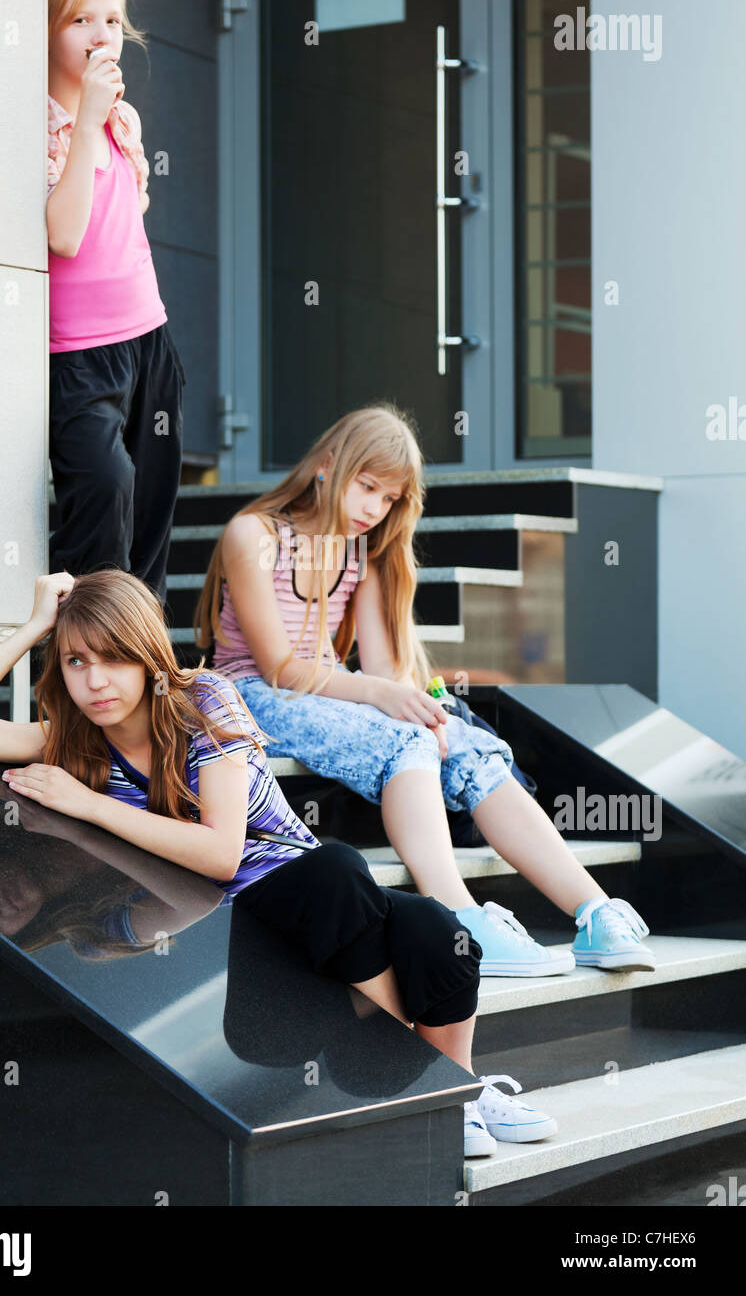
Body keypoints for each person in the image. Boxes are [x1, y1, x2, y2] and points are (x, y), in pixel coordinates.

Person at [0, 569, 559, 1158]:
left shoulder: (204, 701)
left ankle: (458, 1096)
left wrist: (90, 805)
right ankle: (432, 1084)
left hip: (328, 933)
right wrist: (32, 628)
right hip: (264, 988)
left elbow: (224, 847)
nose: (94, 680)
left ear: (145, 655)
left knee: (431, 926)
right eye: (77, 661)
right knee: (338, 870)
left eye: (112, 658)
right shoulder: (76, 746)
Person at [193, 402, 656, 976]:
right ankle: (457, 920)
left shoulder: (362, 551)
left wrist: (420, 709)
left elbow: (384, 669)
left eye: (389, 498)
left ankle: (593, 912)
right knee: (402, 743)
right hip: (251, 693)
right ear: (327, 465)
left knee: (470, 747)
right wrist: (387, 703)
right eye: (367, 486)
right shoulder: (253, 534)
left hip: (329, 692)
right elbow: (280, 666)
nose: (375, 508)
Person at [46, 0, 184, 602]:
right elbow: (64, 235)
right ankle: (81, 650)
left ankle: (144, 647)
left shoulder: (122, 122)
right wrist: (84, 117)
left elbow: (132, 213)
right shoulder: (39, 125)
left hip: (147, 338)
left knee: (154, 503)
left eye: (111, 19)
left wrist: (102, 115)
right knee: (105, 485)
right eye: (79, 20)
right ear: (46, 32)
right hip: (77, 352)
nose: (100, 34)